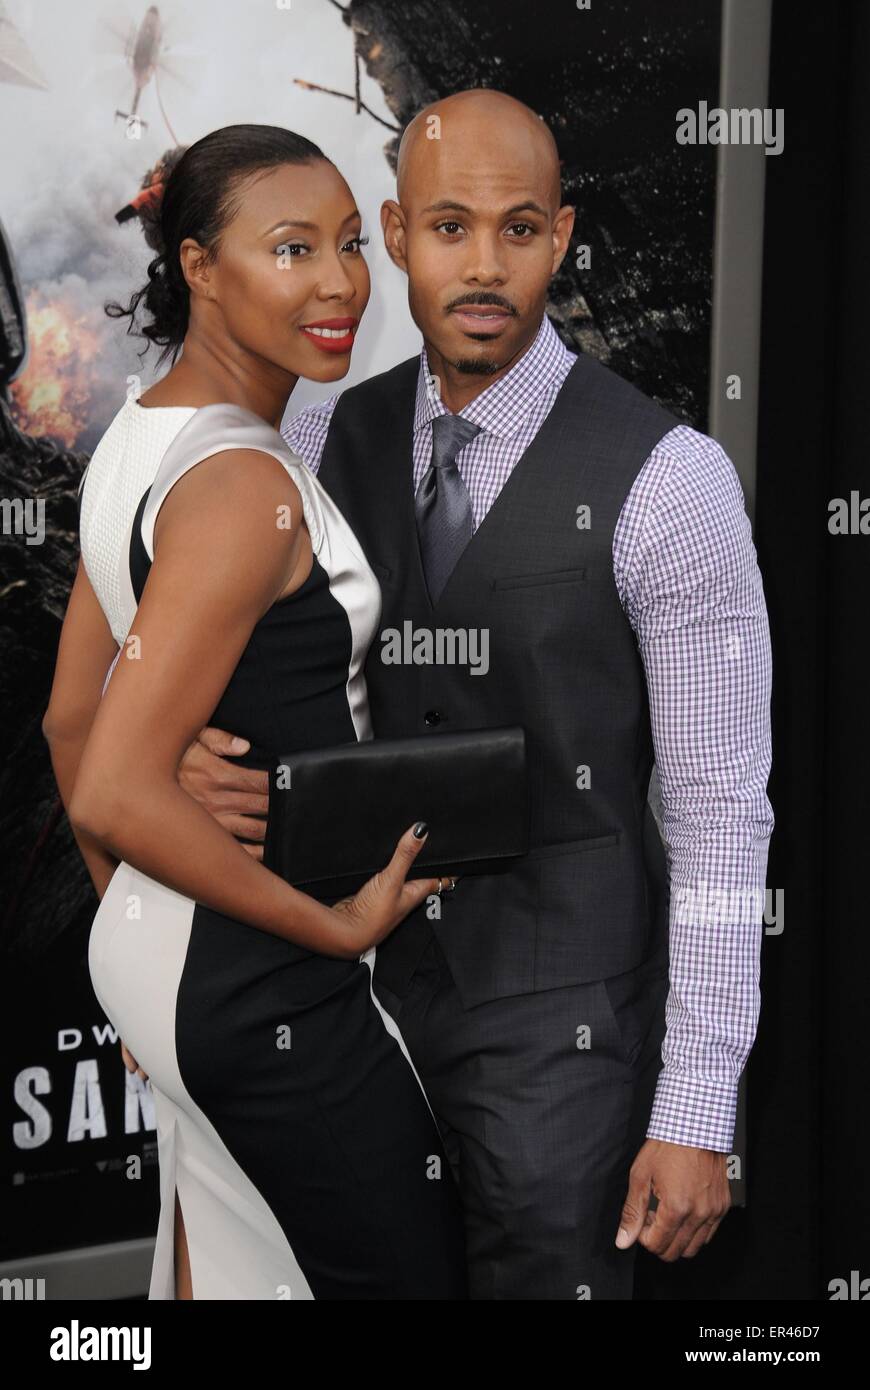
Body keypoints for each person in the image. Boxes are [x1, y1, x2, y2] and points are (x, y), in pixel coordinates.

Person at [181, 90, 776, 1300]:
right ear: (396, 235)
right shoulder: (309, 432)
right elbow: (246, 668)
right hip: (354, 1007)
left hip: (570, 1039)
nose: (486, 265)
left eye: (519, 229)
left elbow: (721, 811)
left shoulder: (672, 480)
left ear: (562, 238)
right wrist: (190, 750)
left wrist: (699, 1108)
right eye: (451, 227)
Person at [42, 124, 469, 1301]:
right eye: (291, 250)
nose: (339, 283)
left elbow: (72, 722)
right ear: (198, 266)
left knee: (229, 1278)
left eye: (346, 243)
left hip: (168, 961)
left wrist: (133, 942)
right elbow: (113, 777)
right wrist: (330, 930)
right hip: (262, 973)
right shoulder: (243, 486)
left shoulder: (139, 440)